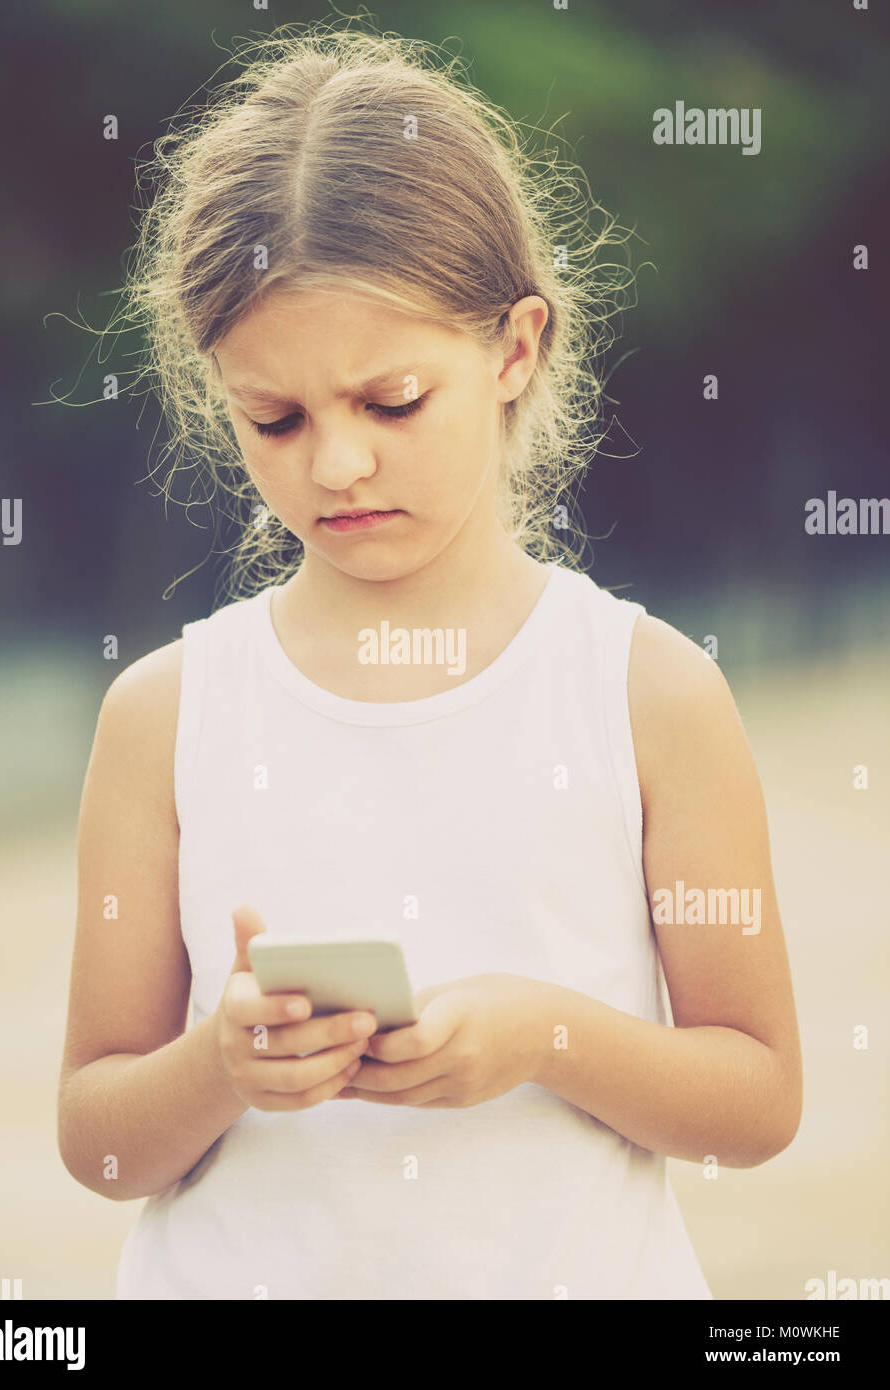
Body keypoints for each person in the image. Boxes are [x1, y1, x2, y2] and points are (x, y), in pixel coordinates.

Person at [56, 23, 801, 1300]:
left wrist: (545, 1035)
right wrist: (218, 1069)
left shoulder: (646, 690)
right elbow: (99, 1139)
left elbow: (758, 1097)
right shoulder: (165, 712)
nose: (333, 465)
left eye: (389, 401)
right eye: (273, 418)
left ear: (513, 349)